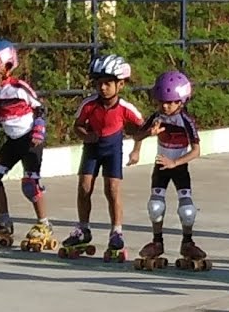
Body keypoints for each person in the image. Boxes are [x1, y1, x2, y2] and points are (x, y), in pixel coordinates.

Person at [0, 38, 56, 252]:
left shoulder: (19, 88)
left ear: (8, 66)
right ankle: (4, 221)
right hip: (12, 141)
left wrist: (39, 129)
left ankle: (44, 224)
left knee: (30, 185)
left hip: (30, 141)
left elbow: (40, 109)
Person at [61, 54, 145, 261]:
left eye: (108, 83)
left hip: (112, 150)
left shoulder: (125, 108)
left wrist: (136, 150)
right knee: (84, 187)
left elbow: (141, 129)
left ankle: (117, 232)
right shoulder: (89, 105)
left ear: (121, 84)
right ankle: (83, 229)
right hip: (92, 148)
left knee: (112, 189)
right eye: (99, 83)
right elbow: (77, 126)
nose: (103, 88)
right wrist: (86, 135)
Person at [128, 70, 209, 271]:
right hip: (161, 166)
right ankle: (157, 242)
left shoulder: (186, 121)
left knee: (187, 210)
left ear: (181, 101)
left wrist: (176, 162)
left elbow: (196, 151)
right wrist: (143, 141)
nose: (165, 106)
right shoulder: (157, 117)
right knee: (155, 206)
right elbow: (137, 135)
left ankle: (187, 242)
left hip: (179, 167)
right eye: (162, 101)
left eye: (171, 102)